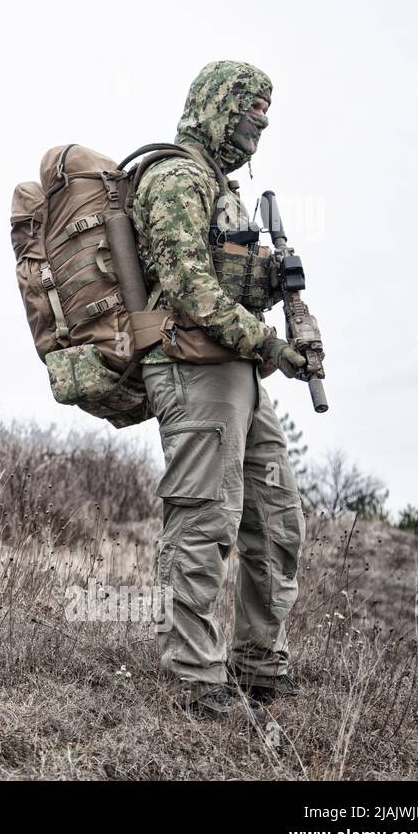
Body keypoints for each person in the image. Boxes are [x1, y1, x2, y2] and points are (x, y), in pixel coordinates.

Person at [131, 60, 323, 720]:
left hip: (237, 369)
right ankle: (192, 675)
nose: (256, 129)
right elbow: (189, 288)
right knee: (203, 516)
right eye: (248, 115)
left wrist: (276, 280)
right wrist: (274, 346)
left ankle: (256, 661)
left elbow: (230, 285)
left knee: (277, 517)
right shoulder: (175, 177)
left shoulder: (225, 192)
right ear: (216, 107)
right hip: (192, 365)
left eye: (264, 119)